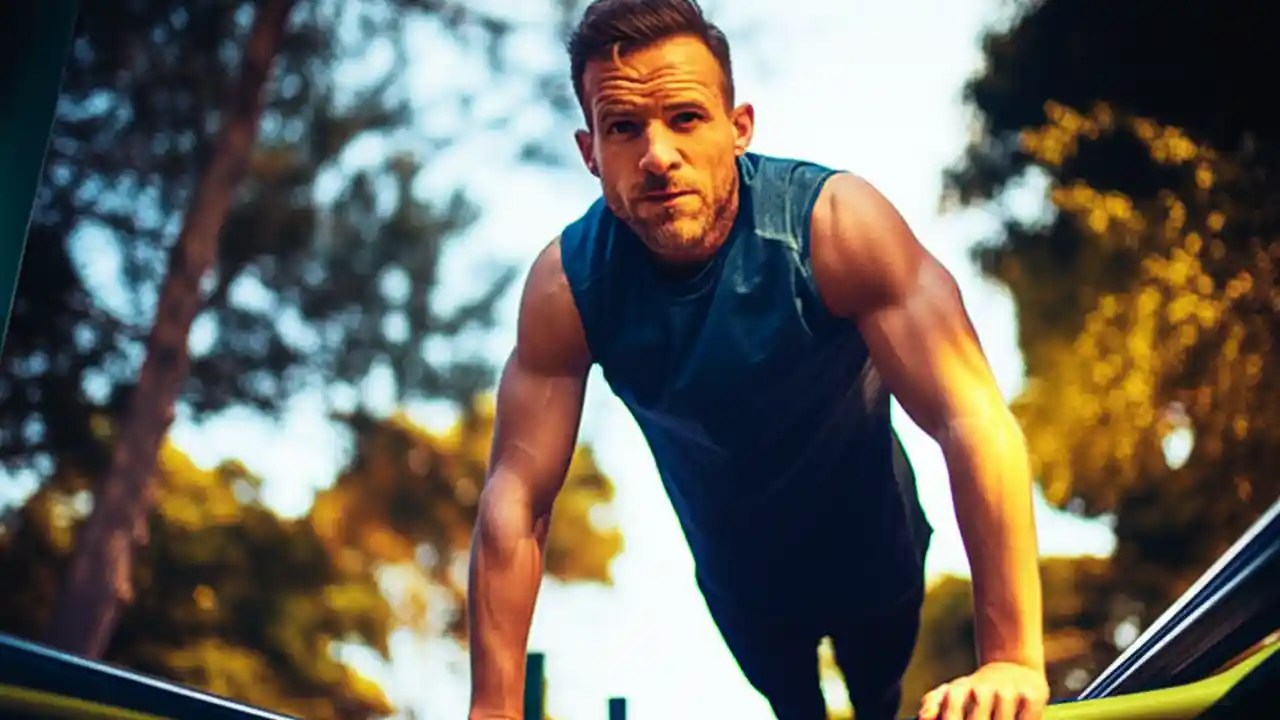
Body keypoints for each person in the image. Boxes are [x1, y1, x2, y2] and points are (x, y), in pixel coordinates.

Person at [466, 1, 1050, 718]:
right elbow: (516, 496)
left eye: (684, 118)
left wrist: (1014, 658)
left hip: (872, 538)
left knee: (878, 695)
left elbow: (972, 415)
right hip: (739, 574)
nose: (656, 155)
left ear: (738, 128)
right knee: (791, 705)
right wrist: (493, 707)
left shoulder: (835, 227)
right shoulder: (568, 288)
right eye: (624, 128)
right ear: (591, 152)